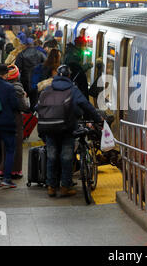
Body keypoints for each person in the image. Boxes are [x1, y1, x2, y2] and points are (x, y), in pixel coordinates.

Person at [37, 65, 103, 197]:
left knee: (52, 157)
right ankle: (65, 187)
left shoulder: (48, 89)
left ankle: (51, 186)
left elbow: (37, 107)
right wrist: (98, 119)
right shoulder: (73, 89)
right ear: (69, 76)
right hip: (67, 129)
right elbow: (86, 105)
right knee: (66, 158)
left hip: (49, 128)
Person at [0, 65, 30, 180]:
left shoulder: (0, 87)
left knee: (3, 144)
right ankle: (15, 170)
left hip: (1, 118)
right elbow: (24, 107)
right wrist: (25, 98)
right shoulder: (17, 88)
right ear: (17, 76)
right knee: (16, 145)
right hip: (14, 119)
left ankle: (1, 169)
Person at [15, 37, 46, 110]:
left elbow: (17, 69)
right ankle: (33, 117)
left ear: (26, 45)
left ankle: (26, 115)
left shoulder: (21, 54)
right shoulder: (40, 53)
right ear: (33, 44)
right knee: (34, 101)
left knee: (23, 101)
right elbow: (46, 65)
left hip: (24, 80)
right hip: (36, 80)